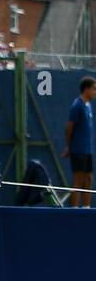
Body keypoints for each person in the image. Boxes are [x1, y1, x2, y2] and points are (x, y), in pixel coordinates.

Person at [63, 76, 95, 207]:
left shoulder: (88, 105)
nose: (95, 92)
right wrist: (69, 147)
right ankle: (74, 211)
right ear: (86, 89)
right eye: (94, 89)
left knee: (88, 179)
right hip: (78, 150)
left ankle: (86, 209)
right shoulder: (77, 106)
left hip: (87, 150)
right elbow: (69, 128)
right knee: (78, 180)